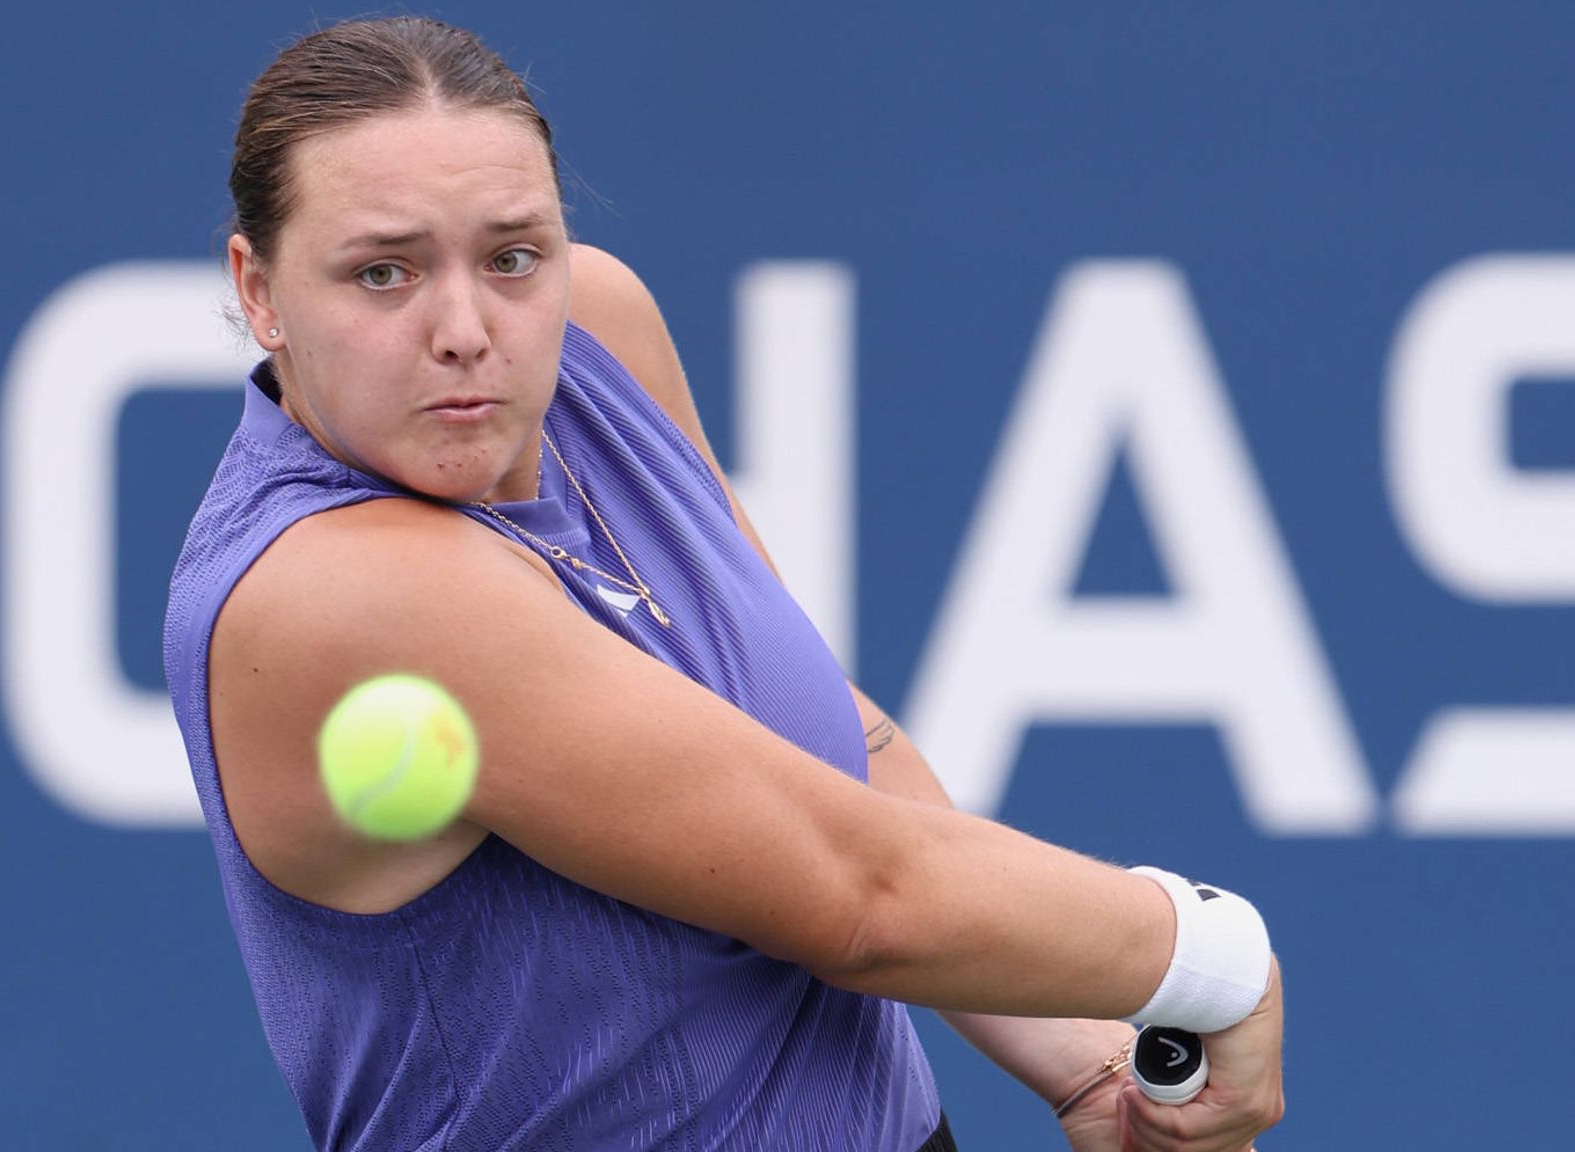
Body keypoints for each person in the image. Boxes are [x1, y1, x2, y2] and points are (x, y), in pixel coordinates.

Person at [163, 16, 1283, 1152]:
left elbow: (827, 753)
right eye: (382, 273)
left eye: (512, 256)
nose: (465, 330)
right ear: (258, 289)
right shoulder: (346, 591)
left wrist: (1085, 1059)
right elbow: (860, 897)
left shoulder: (597, 326)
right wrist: (1206, 955)